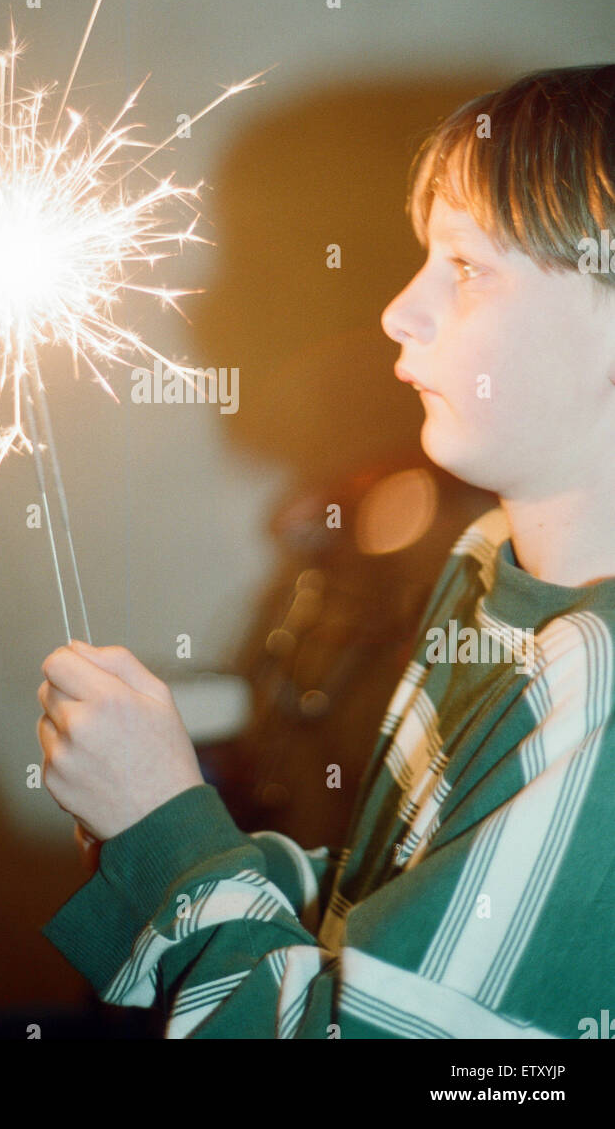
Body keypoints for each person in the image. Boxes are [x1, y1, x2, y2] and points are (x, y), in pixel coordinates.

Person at [37, 65, 615, 1039]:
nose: (398, 310)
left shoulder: (592, 687)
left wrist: (167, 828)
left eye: (466, 268)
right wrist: (171, 832)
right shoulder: (485, 567)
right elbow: (394, 913)